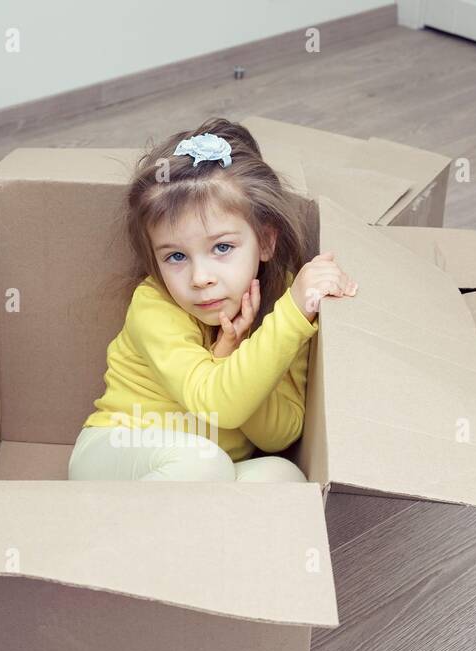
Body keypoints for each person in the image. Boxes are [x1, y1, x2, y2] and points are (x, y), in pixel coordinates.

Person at [68, 118, 357, 482]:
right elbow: (217, 404)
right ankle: (107, 535)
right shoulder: (154, 305)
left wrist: (239, 355)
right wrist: (292, 315)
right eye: (175, 256)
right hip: (117, 452)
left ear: (266, 242)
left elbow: (282, 433)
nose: (199, 277)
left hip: (206, 471)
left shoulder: (282, 300)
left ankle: (185, 535)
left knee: (282, 476)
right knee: (204, 463)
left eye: (222, 247)